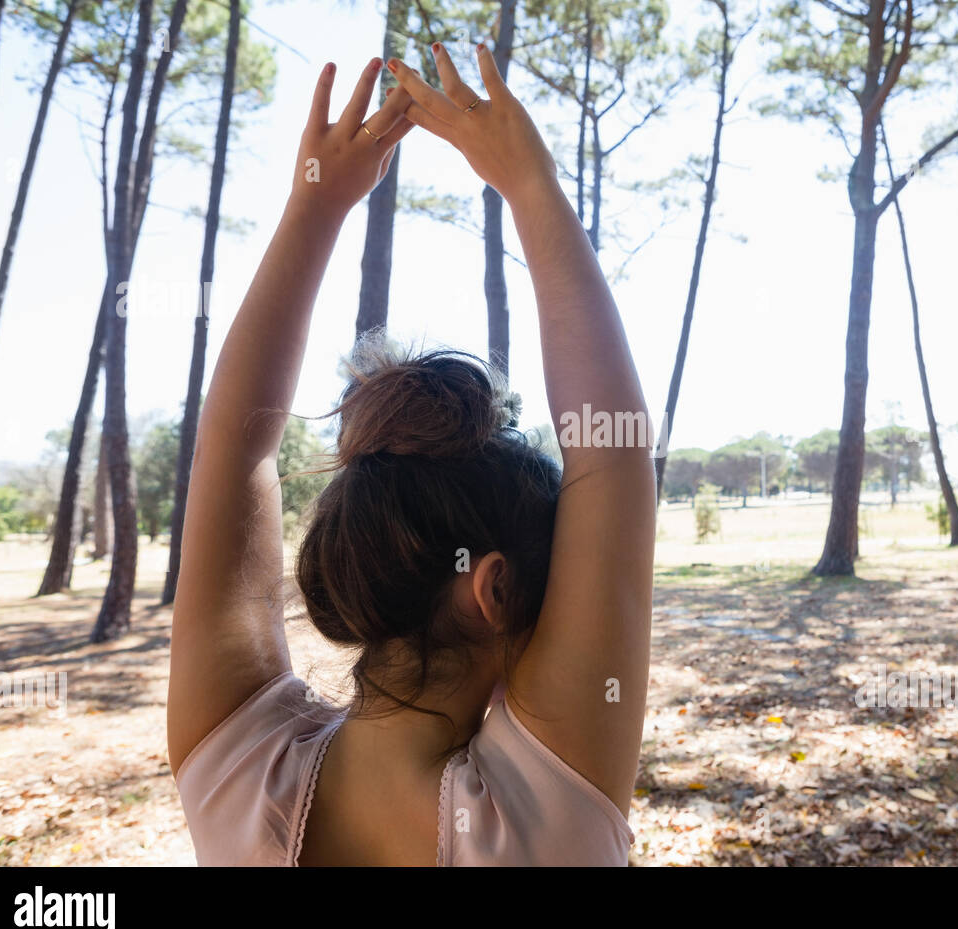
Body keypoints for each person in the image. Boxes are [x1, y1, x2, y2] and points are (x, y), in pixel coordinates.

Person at [167, 45, 656, 866]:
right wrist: (532, 186)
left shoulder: (238, 773)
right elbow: (615, 450)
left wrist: (316, 205)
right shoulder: (543, 817)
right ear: (494, 588)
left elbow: (232, 446)